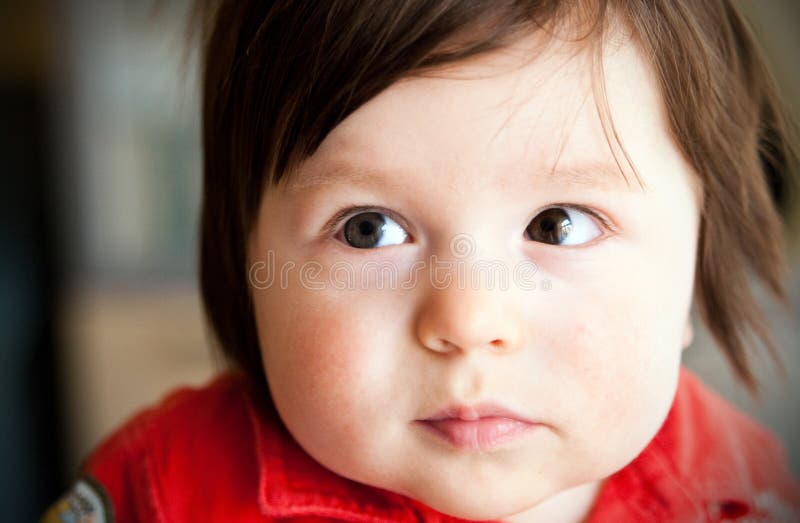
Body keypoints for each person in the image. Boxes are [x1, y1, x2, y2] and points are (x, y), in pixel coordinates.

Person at [43, 1, 800, 521]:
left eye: (560, 224)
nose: (469, 319)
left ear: (695, 256)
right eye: (369, 228)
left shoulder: (747, 492)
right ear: (243, 252)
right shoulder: (168, 489)